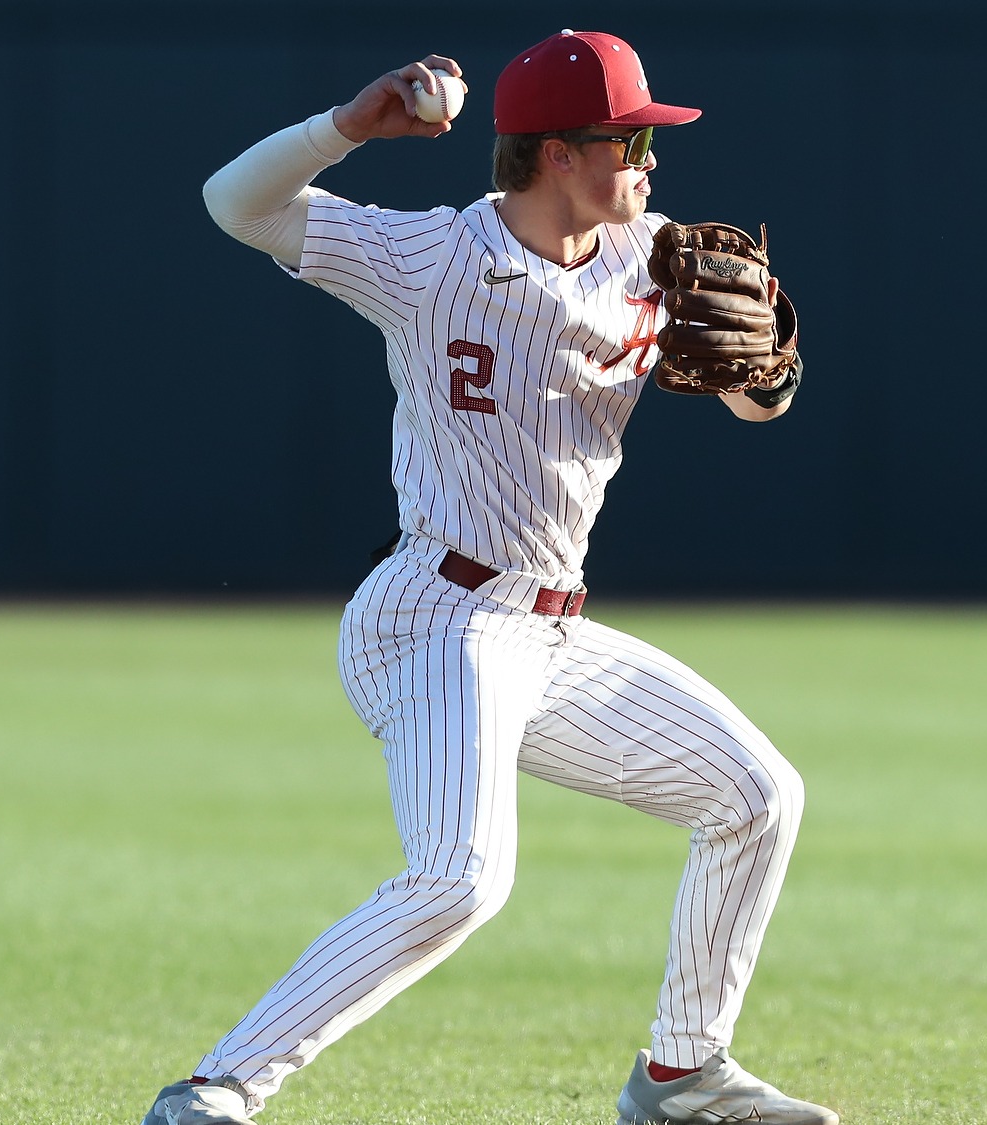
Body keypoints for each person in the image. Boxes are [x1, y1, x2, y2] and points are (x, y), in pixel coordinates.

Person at [138, 28, 832, 1125]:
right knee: (461, 878)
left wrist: (771, 374)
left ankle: (681, 1073)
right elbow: (236, 204)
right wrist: (347, 128)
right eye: (628, 141)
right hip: (435, 614)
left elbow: (753, 399)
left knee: (756, 796)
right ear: (557, 154)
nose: (650, 161)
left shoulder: (652, 253)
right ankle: (215, 1089)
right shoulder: (430, 259)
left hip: (550, 633)